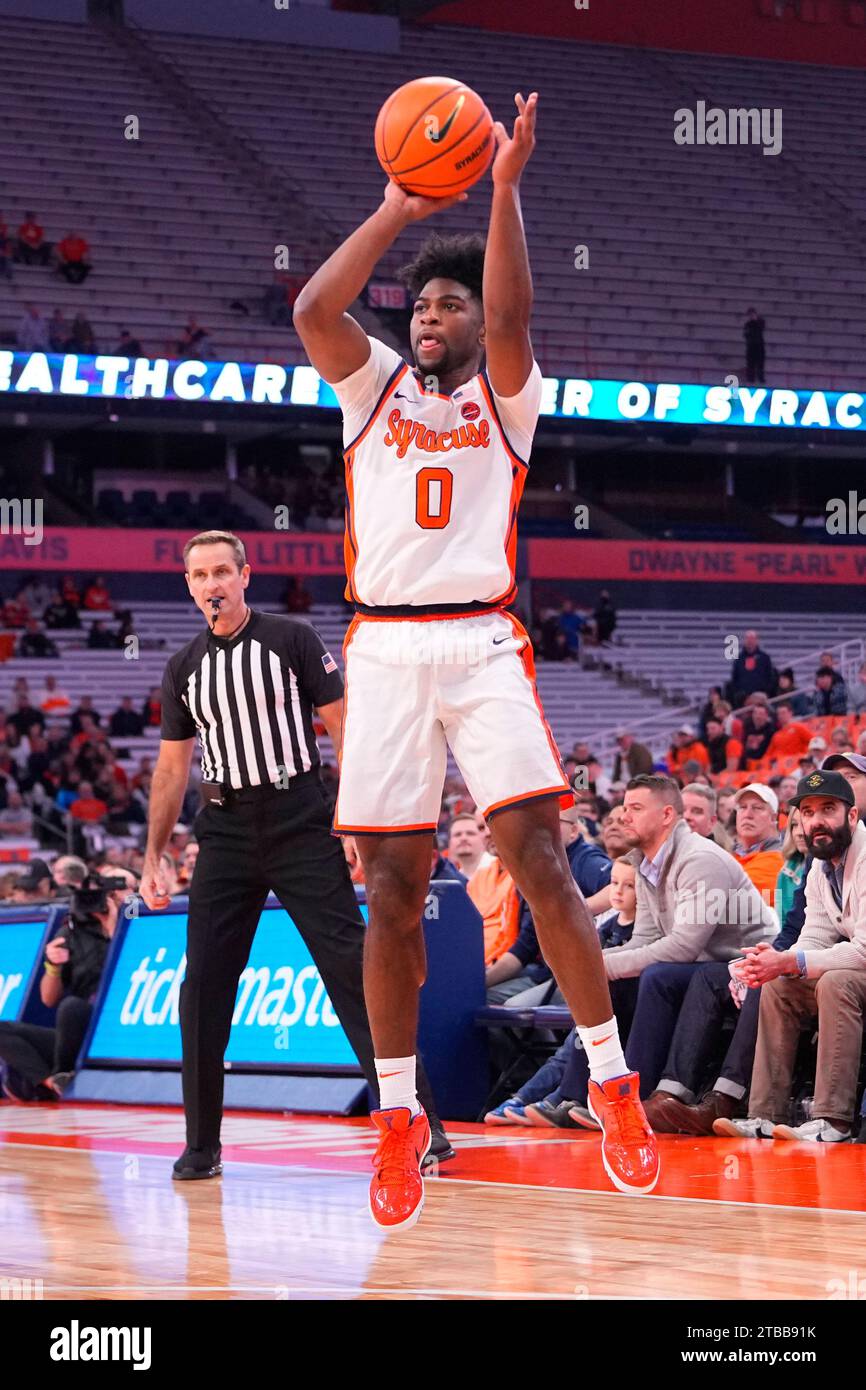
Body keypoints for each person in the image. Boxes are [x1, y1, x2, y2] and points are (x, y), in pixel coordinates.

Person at [293, 88, 659, 1228]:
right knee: (392, 893)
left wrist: (500, 186)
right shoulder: (372, 390)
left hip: (481, 638)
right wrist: (396, 210)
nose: (436, 315)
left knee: (537, 859)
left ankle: (611, 1082)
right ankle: (399, 1115)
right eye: (424, 305)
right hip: (388, 650)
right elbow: (314, 304)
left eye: (451, 300)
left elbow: (513, 318)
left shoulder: (508, 403)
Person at [138, 530, 453, 1182]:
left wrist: (357, 827)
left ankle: (423, 1124)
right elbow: (171, 771)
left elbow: (344, 731)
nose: (212, 584)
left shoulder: (292, 639)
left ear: (245, 575)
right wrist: (153, 854)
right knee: (202, 988)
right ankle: (202, 1146)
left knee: (350, 970)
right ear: (190, 586)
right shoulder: (183, 667)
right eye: (200, 575)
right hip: (223, 828)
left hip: (300, 817)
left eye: (223, 570)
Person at [538, 775, 777, 1125]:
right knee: (618, 978)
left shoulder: (699, 859)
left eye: (636, 808)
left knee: (657, 976)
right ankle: (577, 1093)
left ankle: (632, 1096)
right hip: (699, 964)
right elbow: (645, 938)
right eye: (623, 808)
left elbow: (684, 945)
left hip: (740, 964)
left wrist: (604, 965)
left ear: (666, 815)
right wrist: (596, 965)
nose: (624, 817)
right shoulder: (646, 863)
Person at [718, 770, 866, 1142]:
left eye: (827, 809)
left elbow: (863, 951)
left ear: (851, 815)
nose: (816, 821)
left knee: (835, 982)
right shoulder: (820, 866)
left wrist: (791, 961)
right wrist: (775, 959)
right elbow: (814, 936)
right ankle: (765, 1114)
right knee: (779, 986)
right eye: (808, 811)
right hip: (853, 969)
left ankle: (833, 1120)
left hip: (856, 969)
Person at [487, 858, 637, 1126]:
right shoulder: (607, 926)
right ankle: (525, 1098)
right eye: (614, 883)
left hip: (620, 1005)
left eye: (629, 886)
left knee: (573, 1046)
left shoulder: (642, 929)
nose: (617, 891)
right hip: (596, 1001)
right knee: (567, 1050)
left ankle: (553, 1099)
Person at [0, 868, 134, 1101]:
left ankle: (60, 1074)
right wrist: (52, 965)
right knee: (66, 1009)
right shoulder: (73, 930)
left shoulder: (145, 923)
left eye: (120, 887)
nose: (111, 895)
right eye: (106, 889)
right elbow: (48, 999)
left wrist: (114, 927)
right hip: (78, 1033)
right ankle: (53, 1081)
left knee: (72, 1006)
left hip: (122, 1025)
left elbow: (127, 977)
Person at [485, 805, 613, 1003]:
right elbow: (525, 945)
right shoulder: (536, 868)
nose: (544, 829)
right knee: (482, 998)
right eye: (538, 824)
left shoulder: (586, 859)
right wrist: (482, 981)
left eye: (554, 822)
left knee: (513, 1007)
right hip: (543, 971)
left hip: (582, 974)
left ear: (574, 831)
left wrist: (574, 910)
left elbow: (619, 887)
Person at [730, 784, 785, 900]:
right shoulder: (729, 854)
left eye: (757, 808)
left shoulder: (778, 858)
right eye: (742, 807)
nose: (747, 815)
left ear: (773, 818)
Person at [775, 807, 807, 926]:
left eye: (804, 824)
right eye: (794, 825)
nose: (799, 833)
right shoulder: (784, 873)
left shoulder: (831, 871)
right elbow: (781, 922)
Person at [728, 629, 775, 707]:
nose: (750, 641)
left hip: (761, 697)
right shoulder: (738, 658)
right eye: (747, 638)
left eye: (752, 638)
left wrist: (764, 692)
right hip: (742, 699)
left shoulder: (765, 658)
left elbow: (769, 677)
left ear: (757, 640)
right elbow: (734, 678)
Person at [681, 782, 732, 853]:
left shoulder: (714, 858)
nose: (686, 816)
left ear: (711, 821)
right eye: (682, 810)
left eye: (697, 811)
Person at [743, 307, 765, 385]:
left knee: (760, 364)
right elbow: (745, 334)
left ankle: (761, 379)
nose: (751, 316)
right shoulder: (747, 324)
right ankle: (751, 379)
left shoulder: (761, 322)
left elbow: (761, 328)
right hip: (751, 346)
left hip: (759, 346)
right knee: (750, 364)